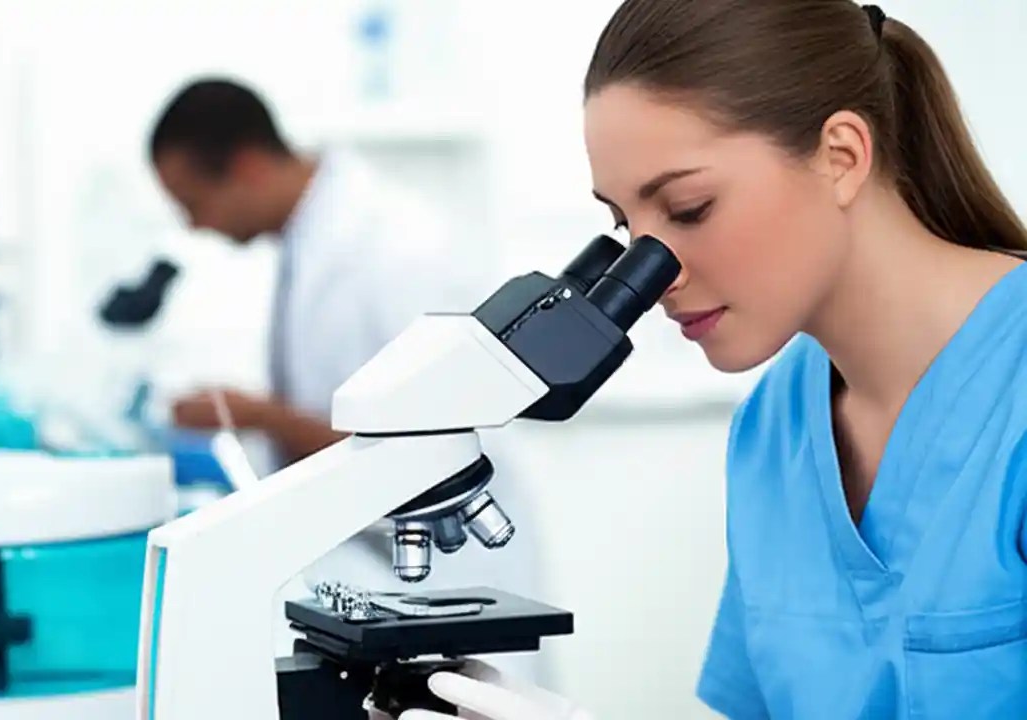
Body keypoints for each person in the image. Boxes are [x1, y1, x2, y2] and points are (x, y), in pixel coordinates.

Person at [402, 1, 1027, 719]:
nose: (655, 275)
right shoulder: (777, 422)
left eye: (689, 208)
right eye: (624, 228)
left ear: (842, 157)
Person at [148, 78, 543, 672]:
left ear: (247, 166)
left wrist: (261, 415)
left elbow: (433, 450)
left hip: (452, 567)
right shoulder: (313, 239)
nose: (195, 226)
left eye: (193, 204)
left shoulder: (397, 246)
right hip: (375, 564)